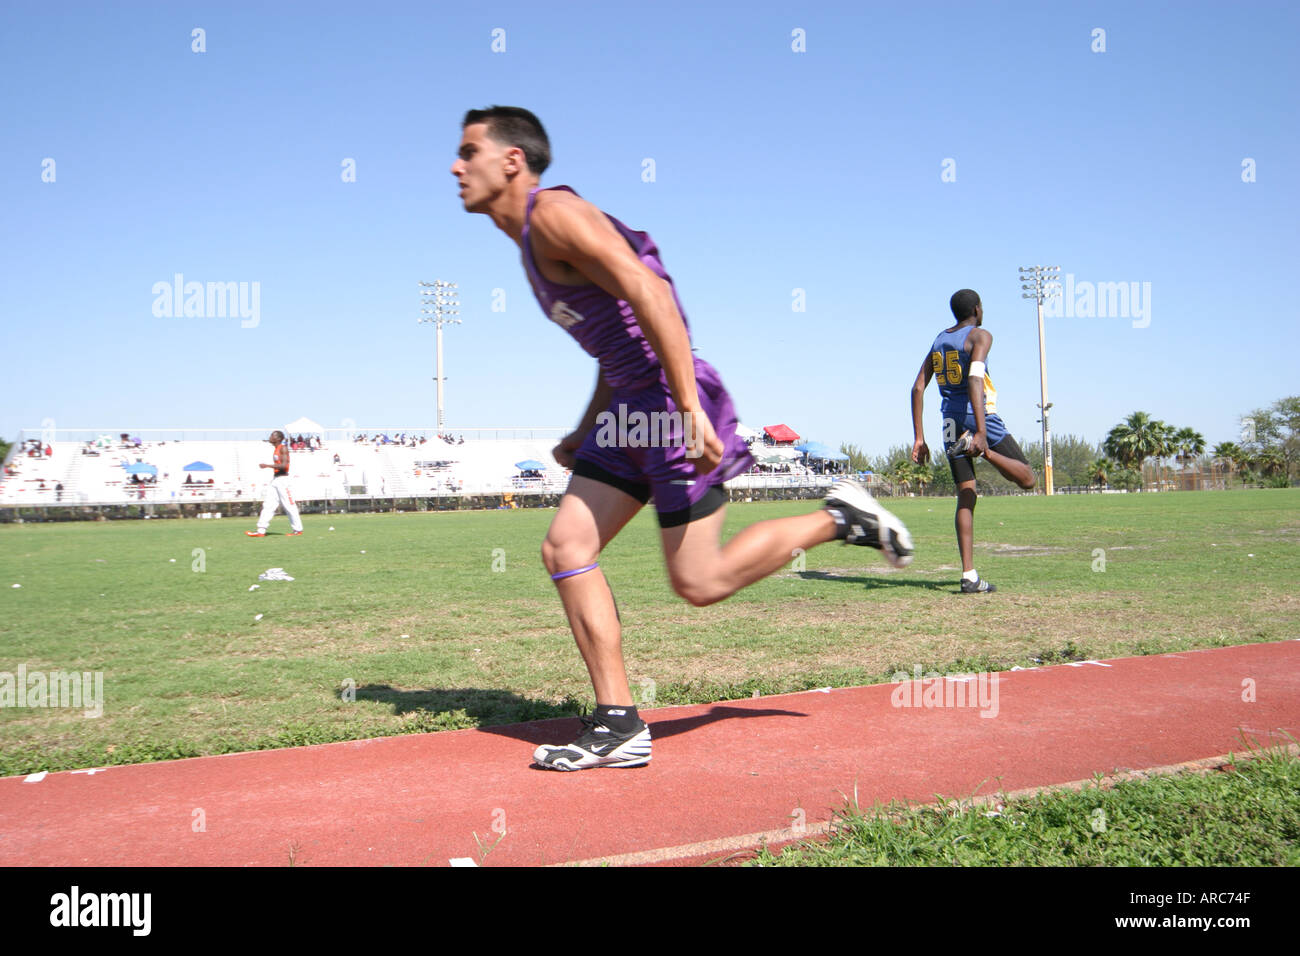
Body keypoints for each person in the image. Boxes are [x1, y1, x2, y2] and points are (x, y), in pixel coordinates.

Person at [452, 106, 913, 771]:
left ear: (512, 161)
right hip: (630, 406)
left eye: (469, 151)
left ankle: (840, 516)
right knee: (565, 547)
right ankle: (617, 722)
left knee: (699, 580)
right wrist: (586, 431)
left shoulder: (553, 213)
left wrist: (690, 407)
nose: (455, 165)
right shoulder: (528, 242)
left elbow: (651, 291)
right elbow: (615, 342)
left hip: (669, 401)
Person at [910, 289, 1035, 594]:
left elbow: (917, 388)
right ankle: (984, 451)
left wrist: (919, 438)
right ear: (978, 309)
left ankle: (969, 576)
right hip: (978, 417)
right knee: (1029, 479)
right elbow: (975, 379)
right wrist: (980, 432)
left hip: (949, 422)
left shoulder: (939, 339)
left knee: (966, 496)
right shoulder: (981, 336)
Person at [246, 430, 303, 537]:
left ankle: (298, 530)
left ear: (278, 438)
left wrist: (267, 465)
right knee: (268, 505)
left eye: (273, 435)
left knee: (289, 505)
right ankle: (261, 530)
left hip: (283, 480)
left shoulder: (283, 448)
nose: (270, 437)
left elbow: (284, 465)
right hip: (275, 480)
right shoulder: (276, 448)